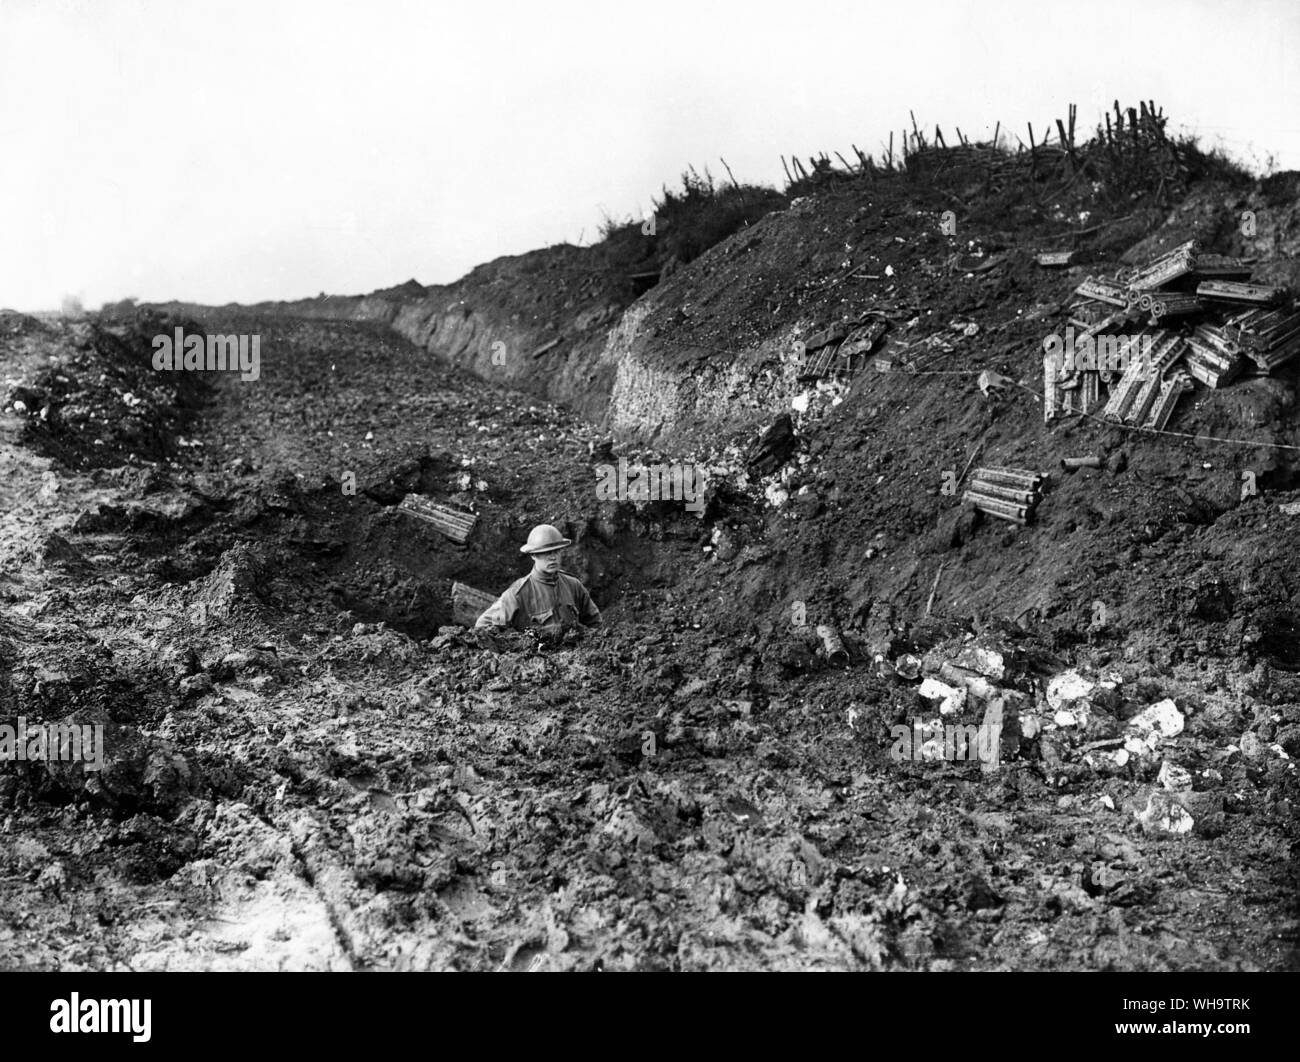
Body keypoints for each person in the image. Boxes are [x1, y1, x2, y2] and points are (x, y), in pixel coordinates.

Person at [474, 524, 601, 641]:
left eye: (556, 551)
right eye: (545, 552)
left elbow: (595, 623)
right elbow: (483, 627)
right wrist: (516, 647)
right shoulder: (518, 594)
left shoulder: (573, 585)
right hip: (537, 662)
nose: (553, 557)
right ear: (533, 555)